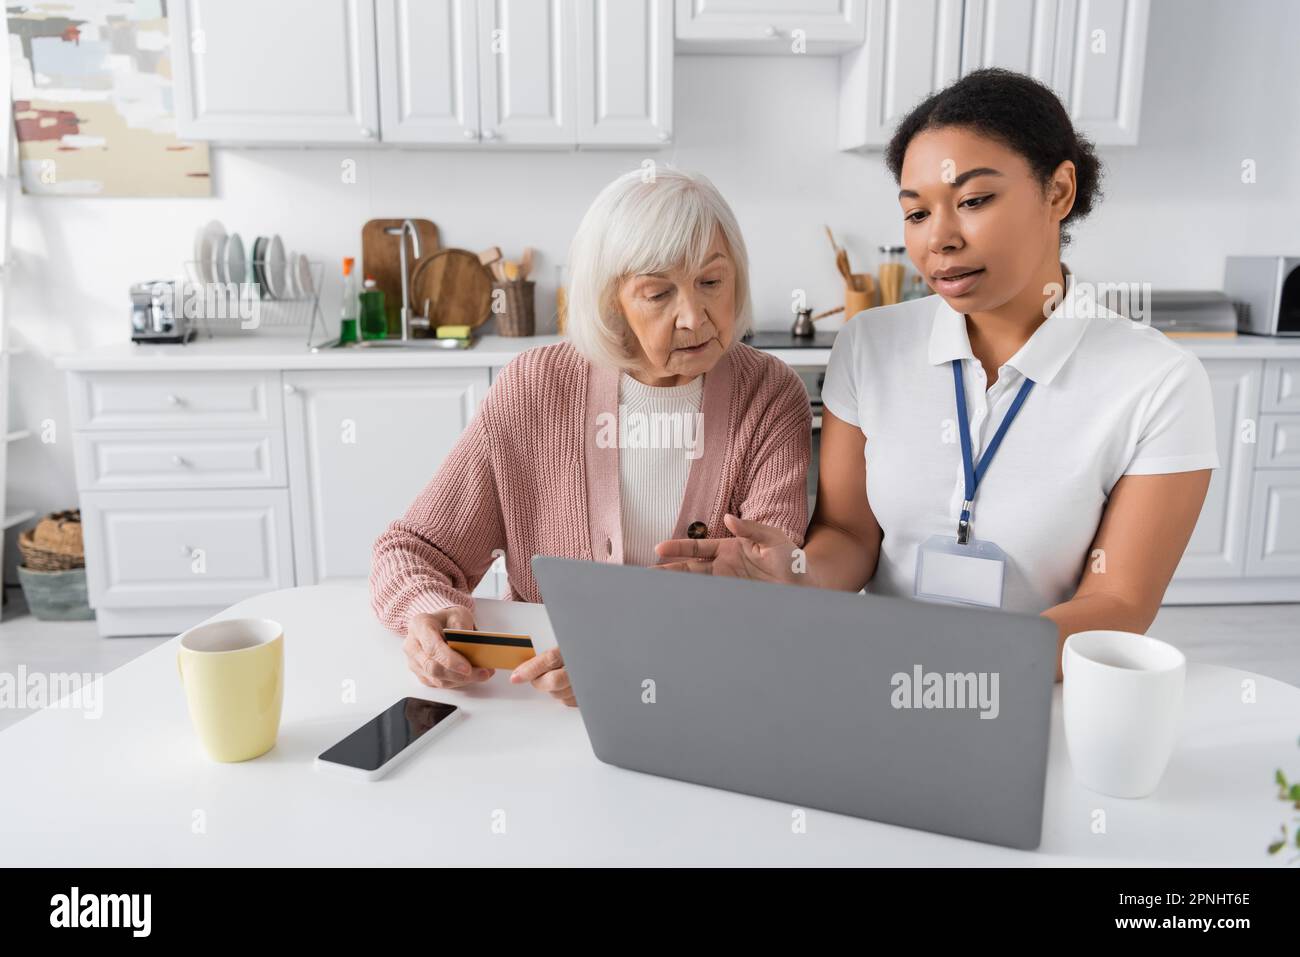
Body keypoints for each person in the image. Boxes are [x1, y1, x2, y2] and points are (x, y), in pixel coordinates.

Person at [656, 68, 1218, 680]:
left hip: (1036, 694)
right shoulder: (871, 343)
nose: (939, 240)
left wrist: (963, 666)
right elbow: (849, 534)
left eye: (974, 201)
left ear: (1058, 192)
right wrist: (794, 573)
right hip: (880, 679)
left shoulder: (1158, 381)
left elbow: (1119, 602)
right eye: (917, 213)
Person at [371, 167, 812, 705]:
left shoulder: (770, 395)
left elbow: (768, 596)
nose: (694, 318)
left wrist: (631, 656)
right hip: (539, 708)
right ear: (612, 303)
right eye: (657, 293)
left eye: (711, 283)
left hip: (701, 697)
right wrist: (425, 610)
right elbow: (413, 550)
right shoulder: (535, 388)